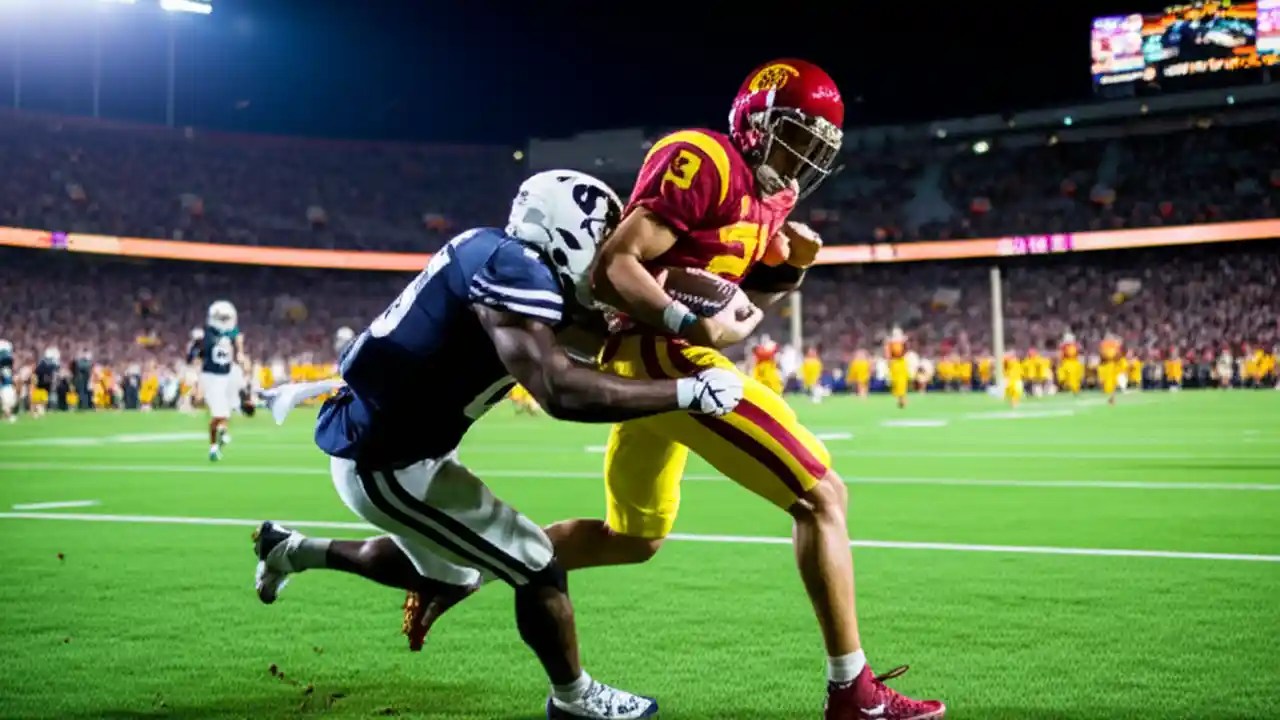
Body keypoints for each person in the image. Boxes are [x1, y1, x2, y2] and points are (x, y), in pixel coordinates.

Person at [533, 60, 942, 719]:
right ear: (754, 122)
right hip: (661, 351)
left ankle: (463, 565)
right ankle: (853, 693)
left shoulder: (774, 197)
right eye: (795, 136)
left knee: (632, 538)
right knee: (822, 496)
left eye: (817, 148)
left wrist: (792, 272)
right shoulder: (704, 158)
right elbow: (616, 268)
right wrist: (688, 322)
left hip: (665, 355)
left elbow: (740, 308)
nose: (803, 157)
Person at [255, 170, 744, 719]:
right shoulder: (513, 269)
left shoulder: (500, 256)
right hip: (387, 460)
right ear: (569, 229)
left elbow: (588, 338)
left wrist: (680, 310)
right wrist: (685, 392)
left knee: (452, 576)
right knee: (536, 561)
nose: (609, 253)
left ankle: (290, 549)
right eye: (603, 238)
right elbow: (559, 389)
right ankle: (574, 698)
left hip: (407, 444)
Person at [190, 301, 247, 460]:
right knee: (218, 414)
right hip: (211, 376)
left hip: (227, 375)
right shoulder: (206, 335)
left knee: (227, 411)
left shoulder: (230, 333)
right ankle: (214, 447)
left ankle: (222, 432)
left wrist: (240, 351)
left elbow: (237, 337)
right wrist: (197, 381)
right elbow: (196, 356)